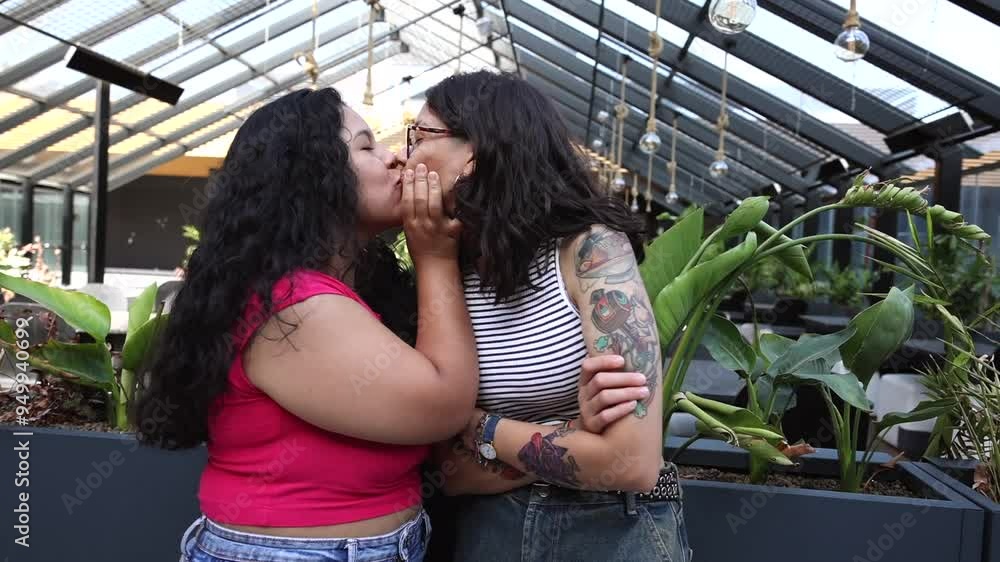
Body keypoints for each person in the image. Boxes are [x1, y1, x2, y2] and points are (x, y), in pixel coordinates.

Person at [133, 87, 481, 562]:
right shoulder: (293, 305)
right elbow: (443, 407)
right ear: (314, 178)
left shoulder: (341, 287)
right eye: (366, 146)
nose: (397, 159)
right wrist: (436, 258)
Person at [403, 70, 692, 562]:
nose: (404, 153)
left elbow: (632, 463)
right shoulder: (442, 265)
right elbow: (448, 474)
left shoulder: (591, 250)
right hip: (491, 533)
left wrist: (479, 428)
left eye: (420, 135)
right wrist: (575, 432)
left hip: (612, 530)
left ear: (473, 155)